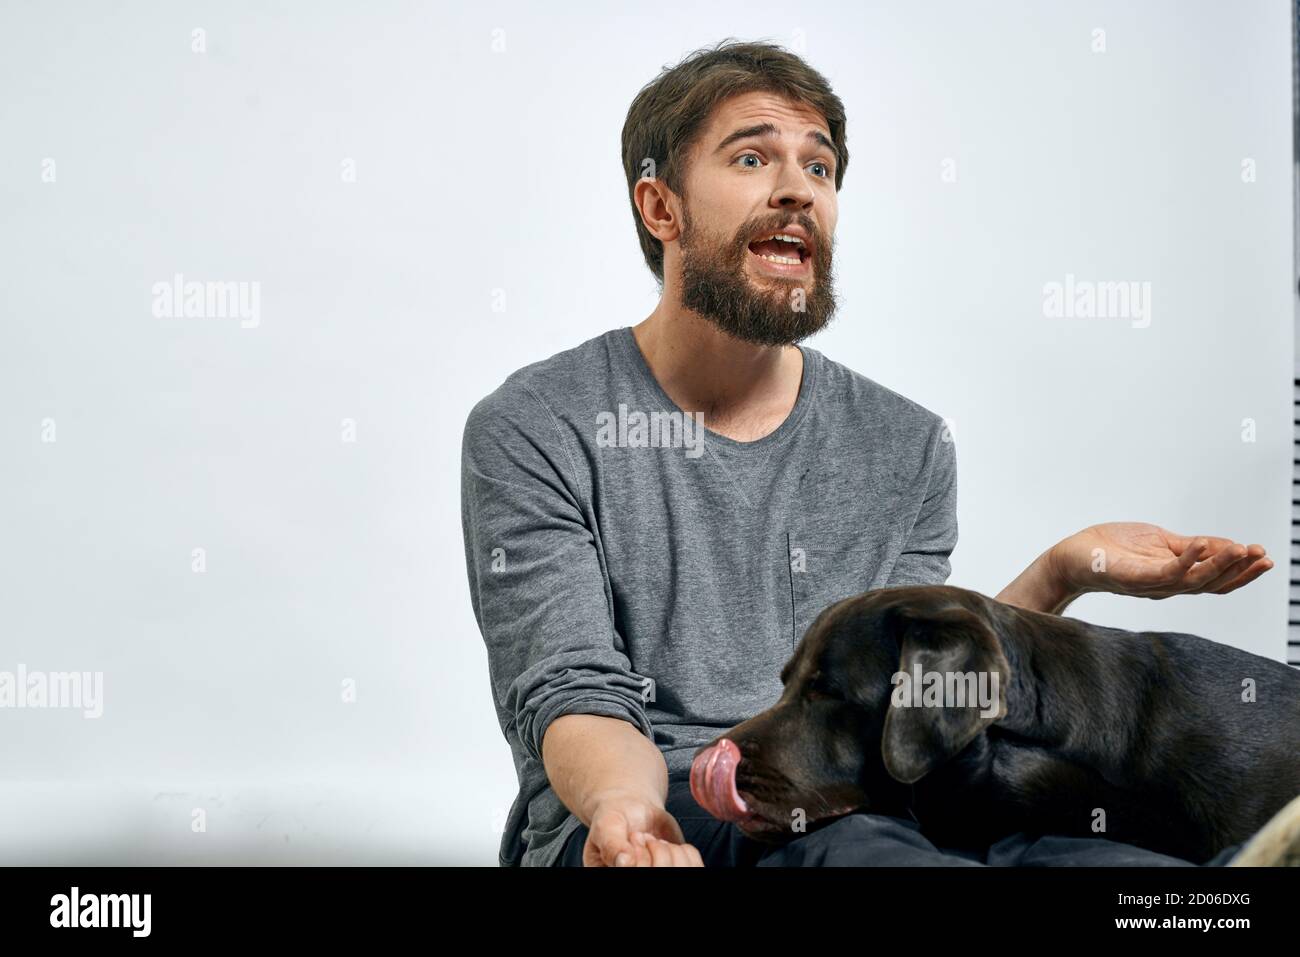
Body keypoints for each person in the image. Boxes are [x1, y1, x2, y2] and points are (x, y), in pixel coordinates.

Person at [459, 39, 1273, 867]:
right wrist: (625, 813)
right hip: (658, 810)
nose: (796, 191)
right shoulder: (537, 425)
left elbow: (906, 682)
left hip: (870, 800)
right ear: (660, 206)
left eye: (820, 168)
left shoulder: (907, 442)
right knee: (856, 849)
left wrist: (1060, 573)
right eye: (752, 156)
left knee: (1116, 864)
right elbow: (574, 691)